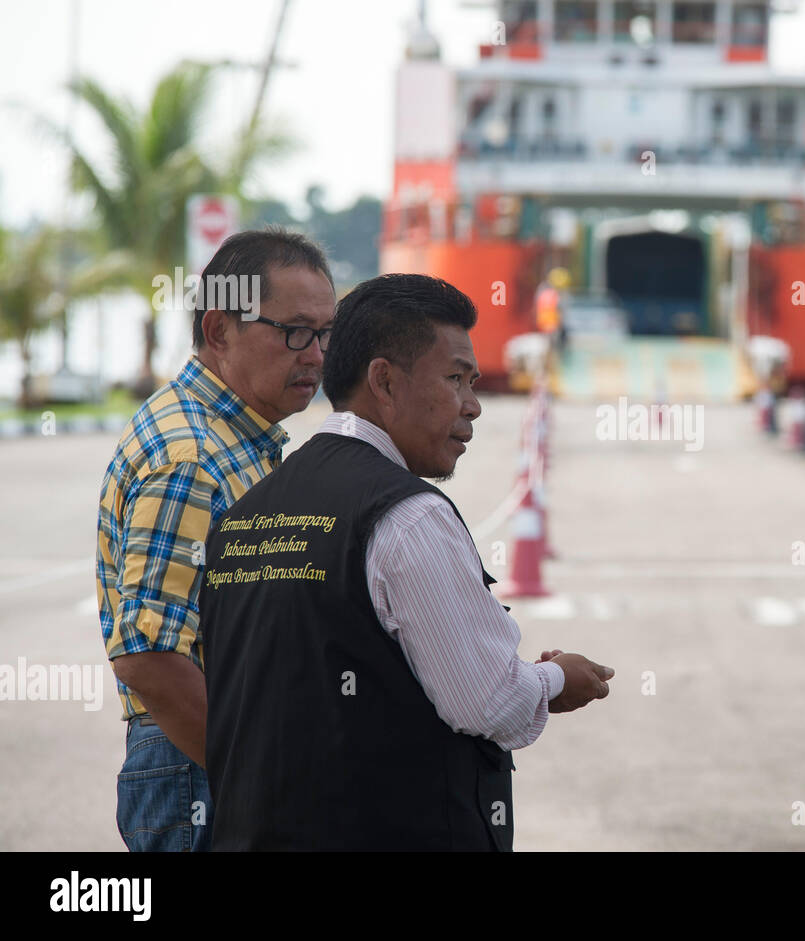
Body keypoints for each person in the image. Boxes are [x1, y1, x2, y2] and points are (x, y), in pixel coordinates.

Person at [199, 273, 614, 851]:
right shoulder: (407, 516)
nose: (472, 405)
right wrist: (553, 679)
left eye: (472, 382)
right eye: (454, 379)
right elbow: (488, 700)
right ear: (385, 381)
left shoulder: (248, 514)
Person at [96, 228, 335, 851]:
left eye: (326, 334)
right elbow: (148, 654)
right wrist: (253, 772)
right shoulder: (193, 457)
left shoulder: (237, 438)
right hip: (197, 766)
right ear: (219, 330)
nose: (316, 355)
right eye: (296, 332)